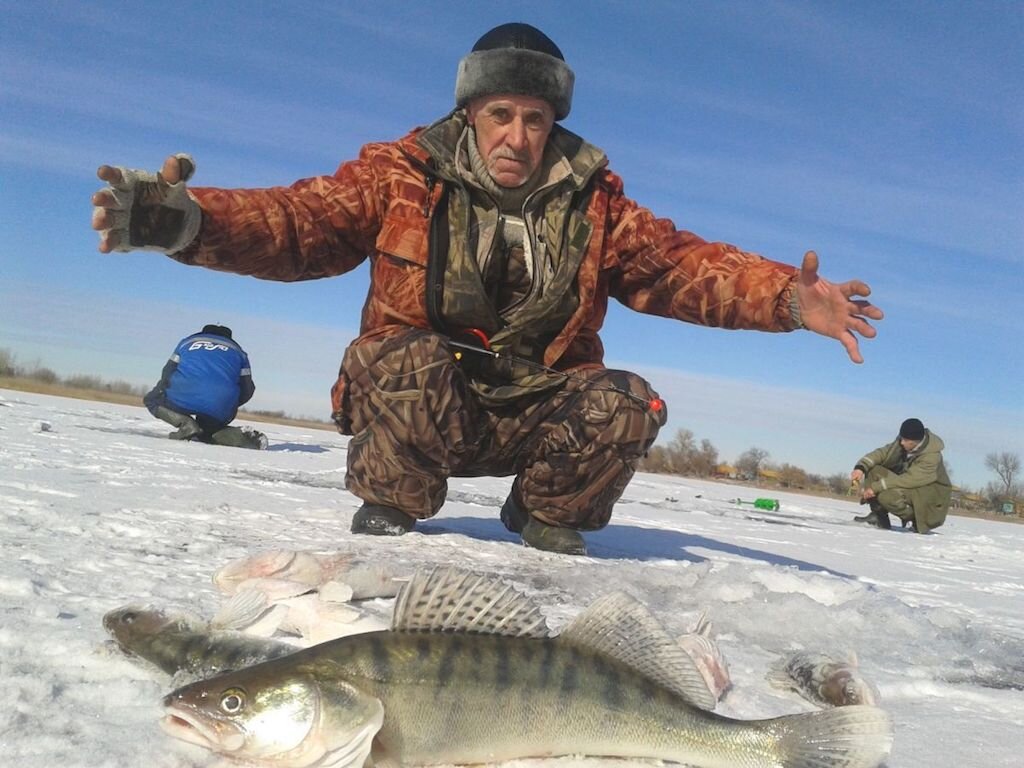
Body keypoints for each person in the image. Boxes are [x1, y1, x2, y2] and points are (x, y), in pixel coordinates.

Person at [91, 23, 883, 555]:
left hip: (530, 404)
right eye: (501, 113)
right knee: (403, 358)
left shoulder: (597, 200)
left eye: (535, 118)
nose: (518, 135)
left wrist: (787, 298)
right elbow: (303, 222)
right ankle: (392, 502)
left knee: (629, 400)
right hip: (426, 400)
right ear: (471, 112)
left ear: (551, 122)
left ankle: (544, 513)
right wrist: (190, 222)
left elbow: (680, 266)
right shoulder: (399, 174)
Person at [144, 324, 267, 450]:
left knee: (151, 400)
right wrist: (230, 404)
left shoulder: (186, 343)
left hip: (183, 392)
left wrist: (162, 390)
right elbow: (247, 388)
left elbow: (167, 372)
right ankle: (245, 439)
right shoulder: (240, 353)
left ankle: (185, 424)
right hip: (220, 403)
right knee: (207, 431)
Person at [851, 418, 951, 533]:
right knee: (874, 470)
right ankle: (879, 517)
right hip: (909, 485)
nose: (901, 442)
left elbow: (909, 480)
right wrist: (860, 468)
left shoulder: (931, 457)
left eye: (905, 440)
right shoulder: (903, 443)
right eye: (901, 437)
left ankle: (917, 520)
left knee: (886, 496)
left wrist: (876, 488)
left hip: (928, 496)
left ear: (915, 441)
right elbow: (882, 453)